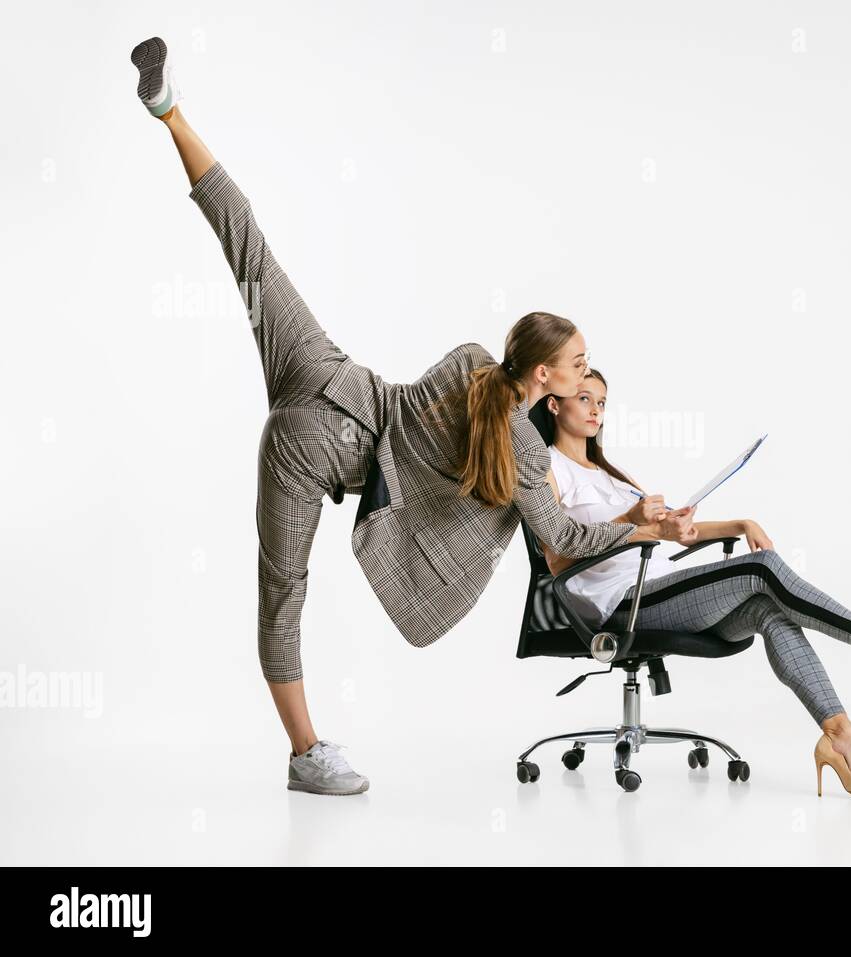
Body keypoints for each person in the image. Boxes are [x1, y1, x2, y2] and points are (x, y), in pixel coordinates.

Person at [130, 37, 699, 795]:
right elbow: (561, 537)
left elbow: (492, 463)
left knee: (252, 253)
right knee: (282, 591)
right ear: (546, 377)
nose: (587, 372)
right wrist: (645, 525)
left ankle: (169, 112)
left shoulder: (471, 362)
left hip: (328, 373)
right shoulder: (522, 455)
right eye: (579, 363)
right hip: (310, 449)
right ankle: (306, 757)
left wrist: (625, 506)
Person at [534, 369, 851, 797]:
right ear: (555, 403)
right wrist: (633, 522)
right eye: (585, 398)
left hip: (667, 589)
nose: (596, 410)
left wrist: (739, 522)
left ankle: (839, 736)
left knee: (768, 607)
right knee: (761, 569)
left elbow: (672, 533)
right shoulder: (549, 469)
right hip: (621, 605)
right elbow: (556, 557)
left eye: (603, 402)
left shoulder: (615, 476)